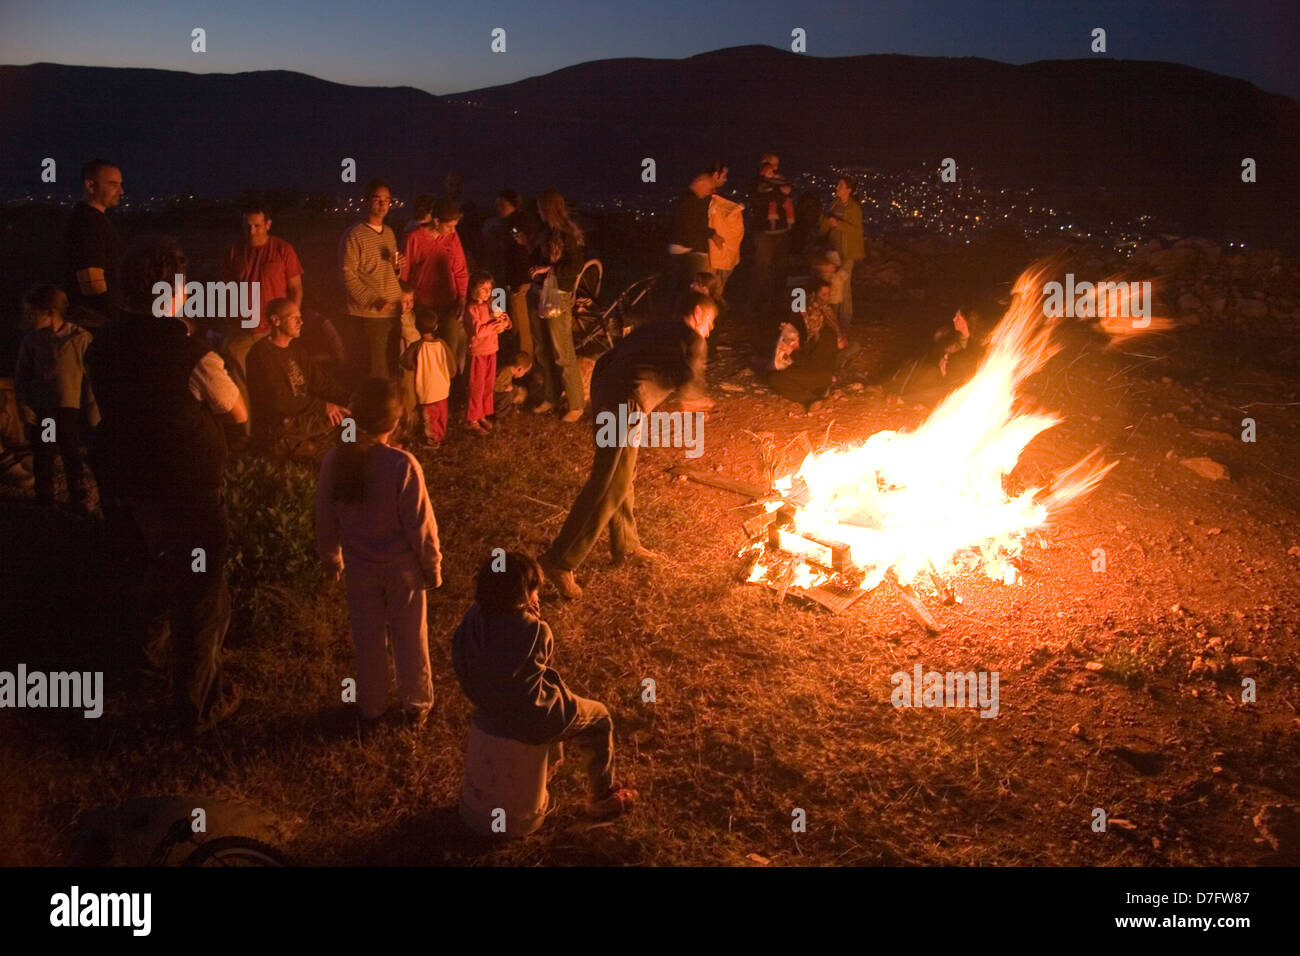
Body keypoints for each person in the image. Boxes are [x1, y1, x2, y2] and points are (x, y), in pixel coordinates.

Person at [85, 236, 247, 734]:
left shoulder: (103, 344)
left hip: (126, 482)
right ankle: (196, 707)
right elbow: (236, 411)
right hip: (187, 490)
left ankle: (144, 671)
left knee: (147, 579)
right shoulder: (190, 353)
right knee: (201, 599)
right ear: (168, 292)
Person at [539, 291, 717, 600]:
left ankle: (626, 543)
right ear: (699, 313)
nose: (711, 329)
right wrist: (698, 401)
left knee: (621, 474)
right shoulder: (692, 338)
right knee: (608, 482)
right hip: (625, 401)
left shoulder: (658, 327)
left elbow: (612, 357)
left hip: (609, 389)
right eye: (711, 321)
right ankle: (559, 560)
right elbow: (689, 385)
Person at [452, 552, 637, 819]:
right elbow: (539, 662)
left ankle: (546, 765)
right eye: (534, 591)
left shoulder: (473, 616)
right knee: (599, 718)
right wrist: (536, 622)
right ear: (523, 596)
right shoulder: (535, 630)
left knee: (556, 698)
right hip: (531, 716)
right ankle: (603, 796)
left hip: (486, 703)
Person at [315, 377, 441, 729]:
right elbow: (421, 525)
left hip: (359, 570)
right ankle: (416, 702)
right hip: (402, 571)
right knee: (410, 635)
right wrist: (432, 566)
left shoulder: (335, 460)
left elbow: (324, 514)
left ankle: (371, 705)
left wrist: (331, 557)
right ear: (396, 421)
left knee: (367, 637)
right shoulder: (402, 465)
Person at [14, 285, 99, 511]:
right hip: (46, 408)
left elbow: (89, 378)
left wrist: (92, 412)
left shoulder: (79, 338)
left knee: (71, 452)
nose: (29, 317)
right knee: (45, 450)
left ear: (50, 311)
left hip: (69, 408)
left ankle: (78, 497)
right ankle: (45, 499)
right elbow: (22, 376)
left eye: (33, 312)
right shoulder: (33, 341)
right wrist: (23, 404)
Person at [245, 298, 350, 459]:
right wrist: (323, 407)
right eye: (294, 318)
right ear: (276, 321)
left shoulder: (296, 350)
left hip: (302, 416)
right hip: (281, 424)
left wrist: (351, 399)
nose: (301, 322)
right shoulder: (261, 354)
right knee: (343, 427)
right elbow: (280, 401)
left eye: (300, 317)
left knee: (351, 419)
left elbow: (322, 382)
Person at [221, 202, 304, 368]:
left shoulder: (283, 250)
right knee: (238, 376)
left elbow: (296, 289)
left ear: (268, 224)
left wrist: (290, 321)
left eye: (257, 226)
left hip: (272, 330)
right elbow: (226, 288)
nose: (252, 231)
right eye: (248, 226)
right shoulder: (234, 251)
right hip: (242, 329)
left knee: (273, 377)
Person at [528, 189, 587, 422]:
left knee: (562, 349)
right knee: (542, 349)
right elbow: (536, 258)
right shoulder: (544, 231)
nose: (538, 211)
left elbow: (574, 266)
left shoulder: (566, 234)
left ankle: (576, 403)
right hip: (537, 292)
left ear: (549, 208)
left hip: (557, 295)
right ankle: (550, 396)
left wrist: (549, 270)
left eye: (541, 207)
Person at [339, 178, 405, 384]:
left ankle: (390, 410)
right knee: (375, 370)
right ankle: (370, 413)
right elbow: (347, 274)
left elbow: (390, 273)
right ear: (367, 201)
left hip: (393, 309)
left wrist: (397, 267)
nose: (383, 204)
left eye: (387, 200)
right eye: (378, 199)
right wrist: (373, 300)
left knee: (393, 363)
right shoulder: (355, 235)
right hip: (370, 314)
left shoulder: (389, 232)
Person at [402, 199, 469, 374]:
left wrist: (462, 297)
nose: (453, 230)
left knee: (450, 349)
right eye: (449, 226)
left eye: (455, 226)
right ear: (437, 221)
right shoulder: (414, 239)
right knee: (424, 350)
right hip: (423, 303)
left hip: (449, 302)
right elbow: (405, 272)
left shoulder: (453, 238)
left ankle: (450, 390)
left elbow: (460, 269)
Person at [766, 278, 842, 412]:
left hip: (821, 375)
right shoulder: (814, 330)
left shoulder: (826, 334)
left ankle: (812, 399)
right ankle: (817, 394)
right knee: (776, 374)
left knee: (776, 379)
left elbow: (813, 365)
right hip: (814, 372)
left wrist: (794, 352)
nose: (808, 318)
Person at [65, 159, 124, 326]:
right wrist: (111, 319)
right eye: (113, 184)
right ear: (90, 186)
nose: (121, 191)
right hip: (94, 321)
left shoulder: (96, 220)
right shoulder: (88, 222)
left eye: (120, 184)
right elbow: (91, 279)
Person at [462, 271, 511, 435]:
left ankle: (482, 414)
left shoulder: (491, 306)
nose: (487, 292)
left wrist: (504, 322)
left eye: (489, 288)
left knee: (488, 385)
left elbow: (504, 320)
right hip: (478, 353)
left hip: (491, 350)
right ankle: (472, 419)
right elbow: (477, 330)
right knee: (477, 386)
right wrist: (494, 327)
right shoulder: (471, 309)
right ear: (474, 289)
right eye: (483, 288)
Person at [748, 152, 793, 318]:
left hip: (781, 232)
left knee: (780, 270)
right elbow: (764, 198)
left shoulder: (778, 179)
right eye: (773, 164)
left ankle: (776, 305)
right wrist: (779, 192)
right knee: (762, 270)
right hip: (764, 232)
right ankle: (757, 307)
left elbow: (787, 190)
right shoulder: (756, 183)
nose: (776, 168)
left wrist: (777, 192)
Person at [495, 190, 535, 358]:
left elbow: (520, 255)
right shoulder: (506, 223)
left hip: (519, 279)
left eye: (502, 205)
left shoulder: (519, 224)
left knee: (520, 321)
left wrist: (519, 281)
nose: (499, 208)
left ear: (513, 205)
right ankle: (519, 354)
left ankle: (524, 358)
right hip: (512, 278)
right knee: (515, 318)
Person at [820, 176, 864, 329]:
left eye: (841, 185)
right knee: (833, 287)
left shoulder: (853, 208)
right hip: (834, 251)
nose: (837, 187)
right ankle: (833, 324)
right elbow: (828, 225)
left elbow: (856, 230)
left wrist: (837, 224)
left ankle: (843, 326)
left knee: (844, 289)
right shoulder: (835, 204)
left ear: (848, 190)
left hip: (847, 253)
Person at [400, 328, 455, 447]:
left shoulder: (417, 346)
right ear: (436, 327)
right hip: (442, 387)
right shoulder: (442, 343)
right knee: (441, 414)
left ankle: (433, 440)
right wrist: (451, 373)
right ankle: (440, 435)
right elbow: (452, 365)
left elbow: (406, 362)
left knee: (430, 417)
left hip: (427, 388)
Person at [668, 174, 716, 307]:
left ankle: (676, 315)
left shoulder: (685, 199)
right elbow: (695, 226)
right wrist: (711, 235)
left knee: (679, 288)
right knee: (692, 289)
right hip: (689, 251)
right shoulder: (691, 201)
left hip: (681, 249)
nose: (708, 192)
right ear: (700, 183)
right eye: (708, 188)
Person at [706, 168, 744, 295]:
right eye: (724, 175)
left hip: (720, 251)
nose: (726, 179)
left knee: (714, 286)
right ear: (716, 175)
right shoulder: (712, 200)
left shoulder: (718, 200)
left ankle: (715, 305)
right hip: (716, 250)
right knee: (712, 286)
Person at [493, 349, 533, 413]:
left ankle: (511, 407)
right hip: (490, 395)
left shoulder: (509, 371)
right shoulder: (505, 372)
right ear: (520, 369)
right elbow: (492, 385)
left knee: (515, 390)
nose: (524, 374)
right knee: (508, 396)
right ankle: (497, 416)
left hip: (496, 392)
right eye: (524, 372)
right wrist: (504, 389)